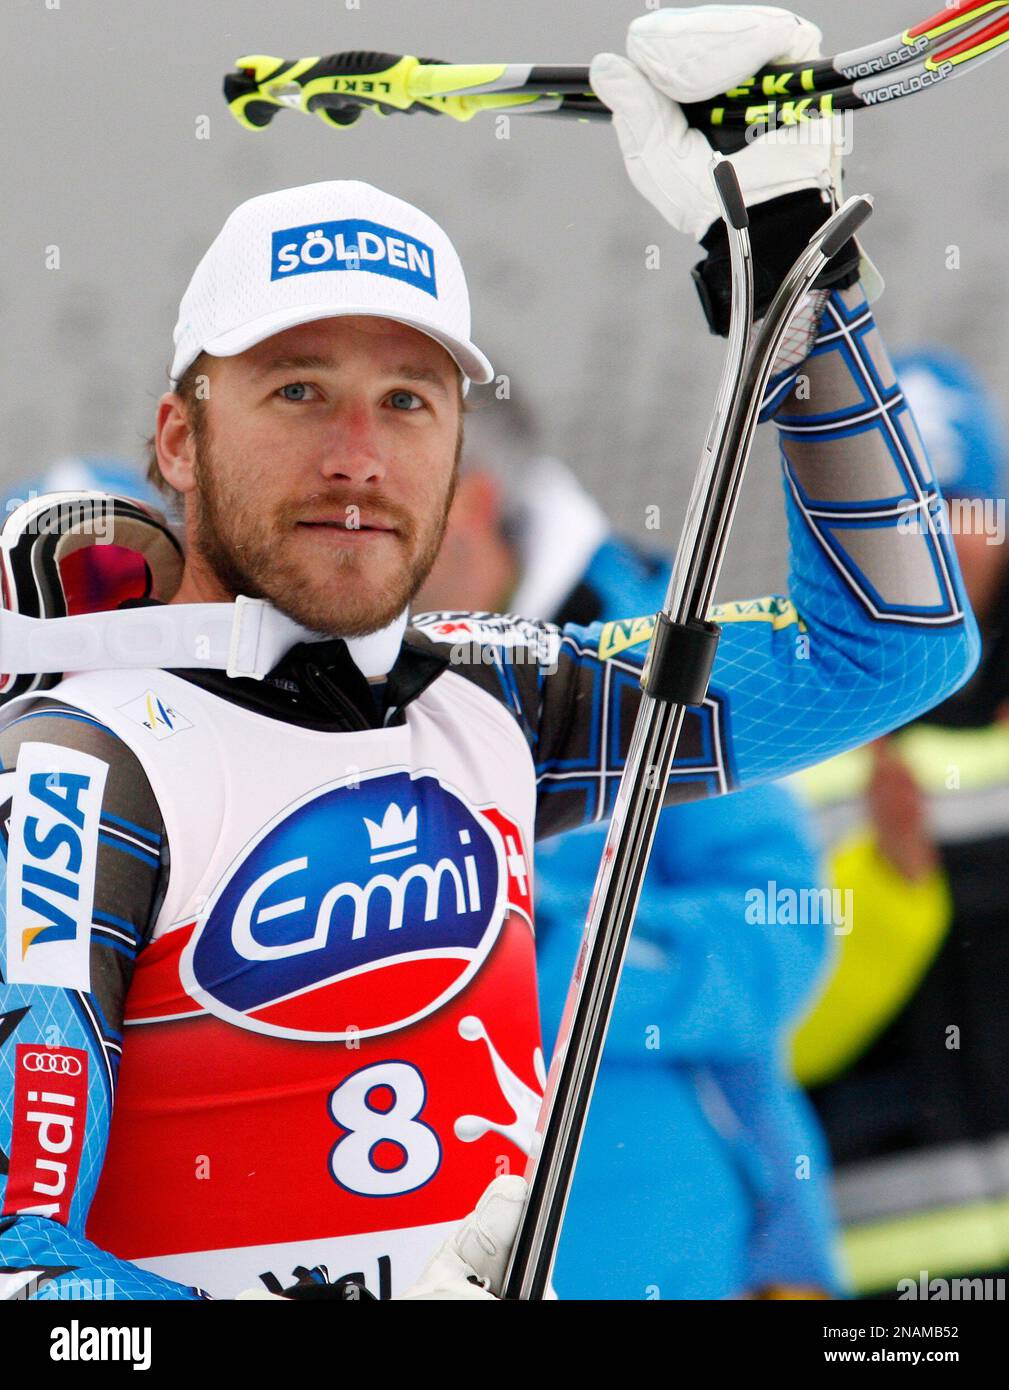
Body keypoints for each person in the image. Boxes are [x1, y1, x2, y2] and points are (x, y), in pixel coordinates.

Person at [0, 6, 979, 1301]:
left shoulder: (489, 695)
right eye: (298, 389)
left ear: (461, 452)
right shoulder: (76, 771)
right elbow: (22, 1277)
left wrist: (796, 255)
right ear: (180, 438)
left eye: (409, 399)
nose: (358, 454)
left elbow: (886, 650)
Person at [416, 402, 843, 1299]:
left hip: (675, 1261)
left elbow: (783, 936)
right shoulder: (297, 693)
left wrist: (530, 953)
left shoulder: (657, 660)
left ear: (472, 503)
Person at [790, 348, 1009, 1297]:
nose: (936, 543)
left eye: (960, 509)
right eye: (898, 515)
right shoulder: (785, 756)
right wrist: (886, 892)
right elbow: (777, 1032)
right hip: (881, 1260)